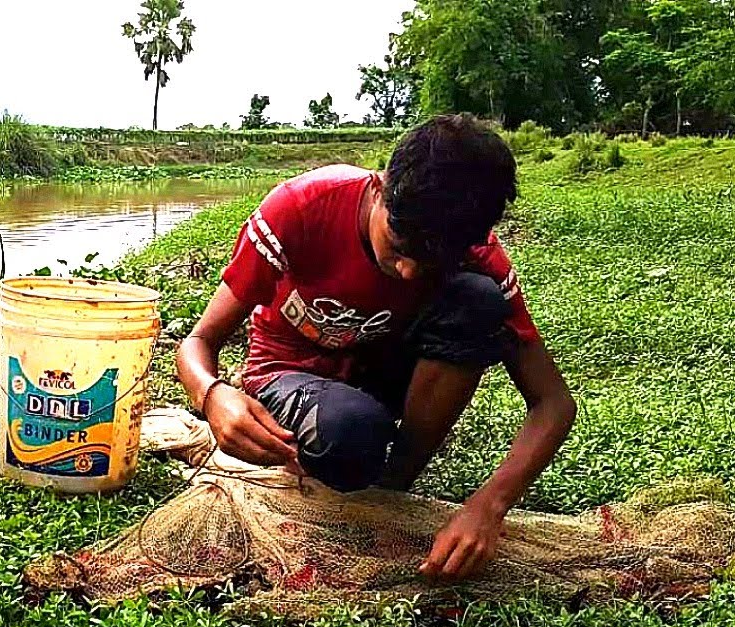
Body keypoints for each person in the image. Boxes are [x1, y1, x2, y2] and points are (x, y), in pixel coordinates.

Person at [176, 114, 576, 583]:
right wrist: (213, 395)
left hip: (379, 372)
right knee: (350, 433)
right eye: (398, 246)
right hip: (287, 371)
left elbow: (553, 403)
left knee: (477, 299)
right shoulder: (301, 207)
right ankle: (338, 452)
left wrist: (488, 507)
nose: (408, 272)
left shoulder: (478, 255)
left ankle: (395, 484)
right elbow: (199, 341)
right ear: (380, 188)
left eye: (432, 262)